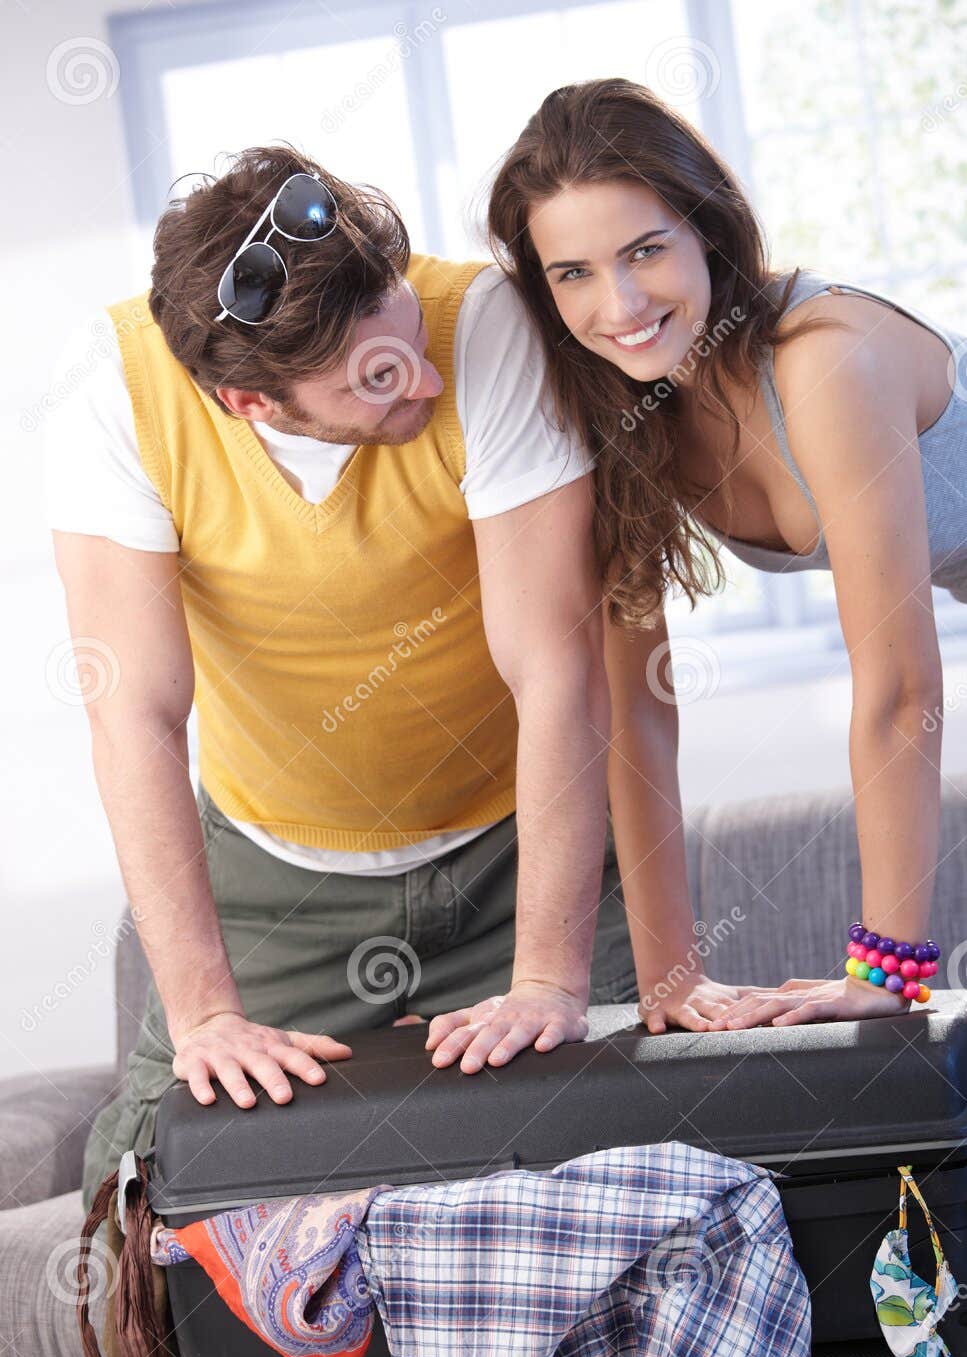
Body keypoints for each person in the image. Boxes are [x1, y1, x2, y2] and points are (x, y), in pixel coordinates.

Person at [47, 143, 661, 1207]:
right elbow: (138, 716)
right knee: (141, 1202)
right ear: (251, 404)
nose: (424, 381)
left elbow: (554, 665)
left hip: (512, 850)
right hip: (276, 875)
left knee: (657, 1138)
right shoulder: (120, 402)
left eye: (406, 341)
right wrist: (203, 1015)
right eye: (375, 380)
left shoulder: (479, 324)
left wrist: (548, 978)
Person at [484, 77, 967, 1074]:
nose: (618, 304)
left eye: (644, 251)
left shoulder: (823, 360)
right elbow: (636, 708)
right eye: (573, 273)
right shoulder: (627, 426)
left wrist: (883, 974)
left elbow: (897, 686)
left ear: (705, 230)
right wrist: (670, 979)